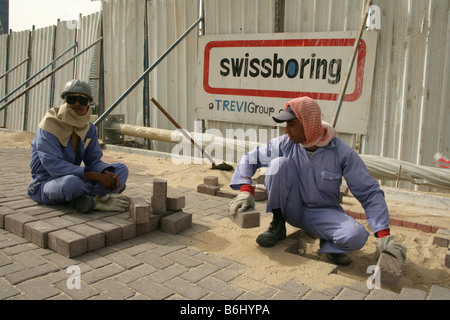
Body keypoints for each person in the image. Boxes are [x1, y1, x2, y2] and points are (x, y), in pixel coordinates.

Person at [229, 96, 406, 266]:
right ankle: (278, 224)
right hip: (293, 210)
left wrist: (383, 233)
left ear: (308, 124)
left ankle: (329, 245)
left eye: (291, 124)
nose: (286, 130)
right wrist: (246, 190)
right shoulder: (285, 144)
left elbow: (369, 192)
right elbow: (250, 158)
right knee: (277, 165)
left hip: (324, 213)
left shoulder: (341, 152)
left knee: (356, 236)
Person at [27, 79, 130, 213]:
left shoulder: (88, 129)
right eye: (72, 99)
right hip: (48, 182)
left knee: (121, 169)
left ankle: (89, 200)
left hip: (76, 176)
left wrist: (105, 173)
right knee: (71, 183)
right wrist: (97, 177)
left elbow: (93, 160)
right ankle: (99, 196)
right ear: (64, 101)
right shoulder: (48, 126)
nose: (77, 104)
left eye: (82, 100)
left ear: (88, 105)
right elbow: (53, 166)